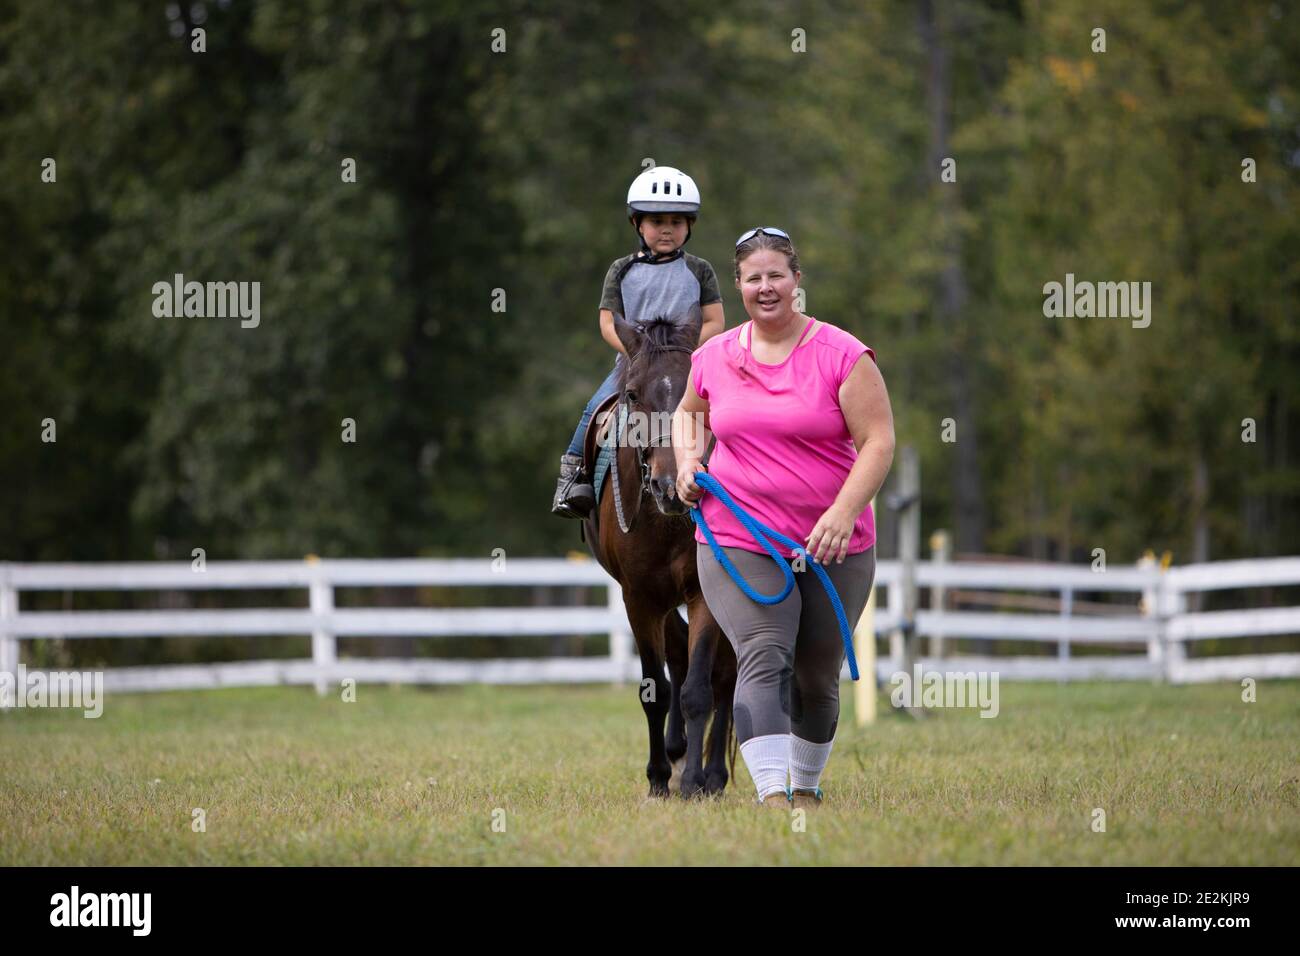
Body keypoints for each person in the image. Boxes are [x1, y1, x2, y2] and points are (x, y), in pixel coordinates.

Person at [671, 227, 895, 809]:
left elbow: (878, 441)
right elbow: (688, 413)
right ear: (740, 286)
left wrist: (844, 513)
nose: (765, 287)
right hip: (738, 534)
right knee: (765, 651)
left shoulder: (843, 354)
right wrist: (690, 458)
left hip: (833, 540)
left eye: (776, 275)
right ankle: (773, 797)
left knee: (816, 676)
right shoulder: (714, 356)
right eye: (753, 278)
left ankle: (806, 789)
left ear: (797, 280)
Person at [551, 166, 725, 518]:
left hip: (688, 365)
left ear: (689, 226)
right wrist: (640, 351)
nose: (666, 229)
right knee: (596, 408)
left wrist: (680, 352)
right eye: (656, 221)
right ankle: (573, 476)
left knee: (726, 415)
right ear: (637, 224)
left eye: (676, 222)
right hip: (636, 364)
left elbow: (715, 322)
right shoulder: (621, 270)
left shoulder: (700, 270)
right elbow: (606, 321)